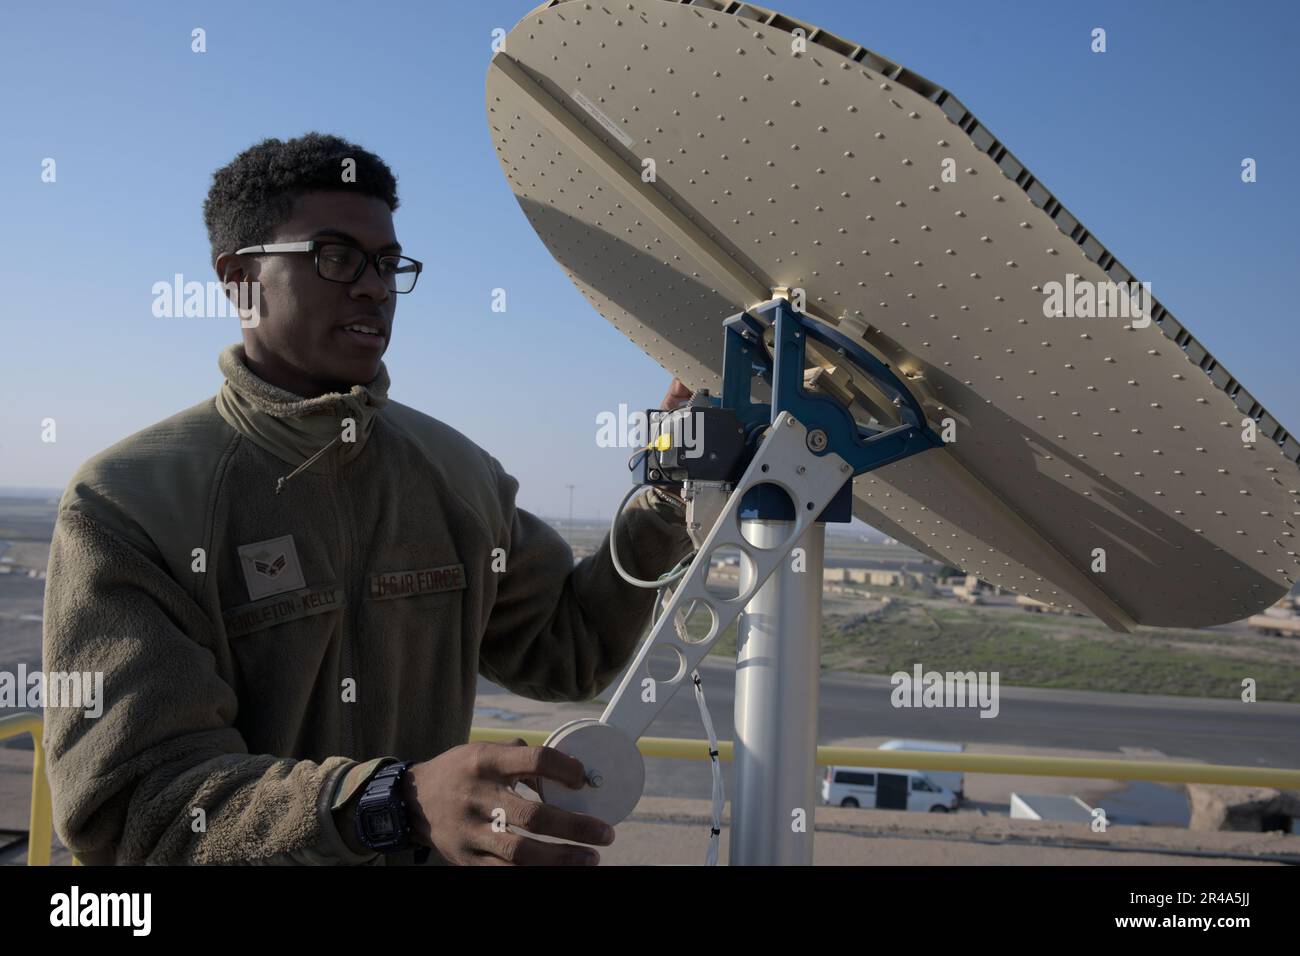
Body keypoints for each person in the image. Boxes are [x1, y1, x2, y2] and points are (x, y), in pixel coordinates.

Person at [42, 132, 696, 865]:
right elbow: (135, 809)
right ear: (238, 278)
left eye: (387, 264)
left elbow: (569, 649)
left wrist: (668, 487)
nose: (373, 286)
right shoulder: (129, 503)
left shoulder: (459, 476)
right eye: (335, 255)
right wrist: (388, 803)